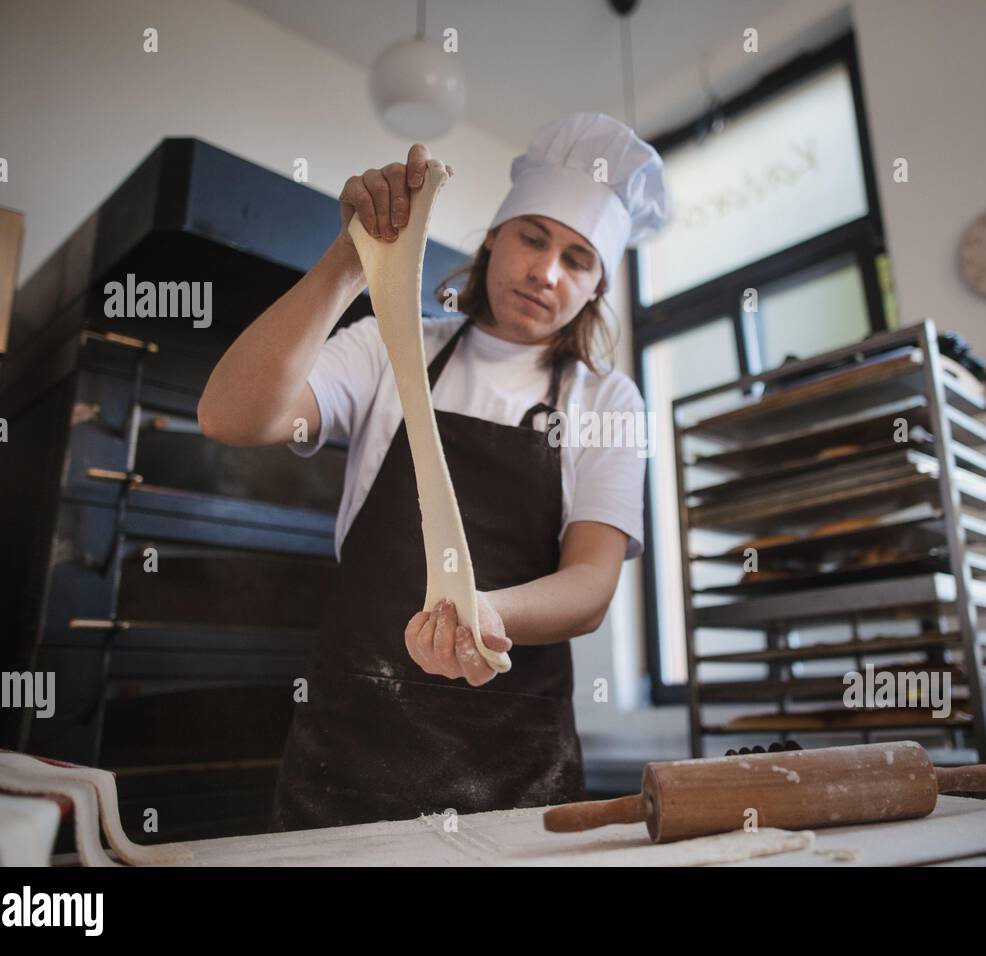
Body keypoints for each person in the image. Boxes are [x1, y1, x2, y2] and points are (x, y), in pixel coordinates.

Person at [196, 112, 669, 829]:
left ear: (597, 287)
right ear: (492, 239)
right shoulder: (393, 345)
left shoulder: (605, 397)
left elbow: (591, 587)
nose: (545, 271)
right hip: (351, 743)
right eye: (533, 238)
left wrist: (485, 614)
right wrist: (351, 260)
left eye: (577, 259)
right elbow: (231, 416)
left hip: (515, 760)